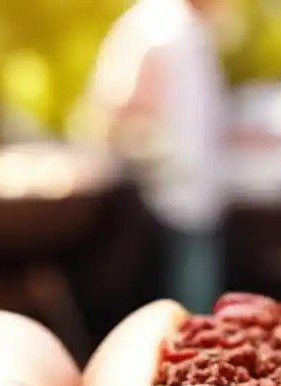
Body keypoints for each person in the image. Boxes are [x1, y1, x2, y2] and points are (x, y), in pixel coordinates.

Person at [85, 0, 227, 314]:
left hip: (193, 200)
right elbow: (121, 103)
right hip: (161, 201)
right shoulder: (158, 25)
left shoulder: (191, 30)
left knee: (193, 314)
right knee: (177, 316)